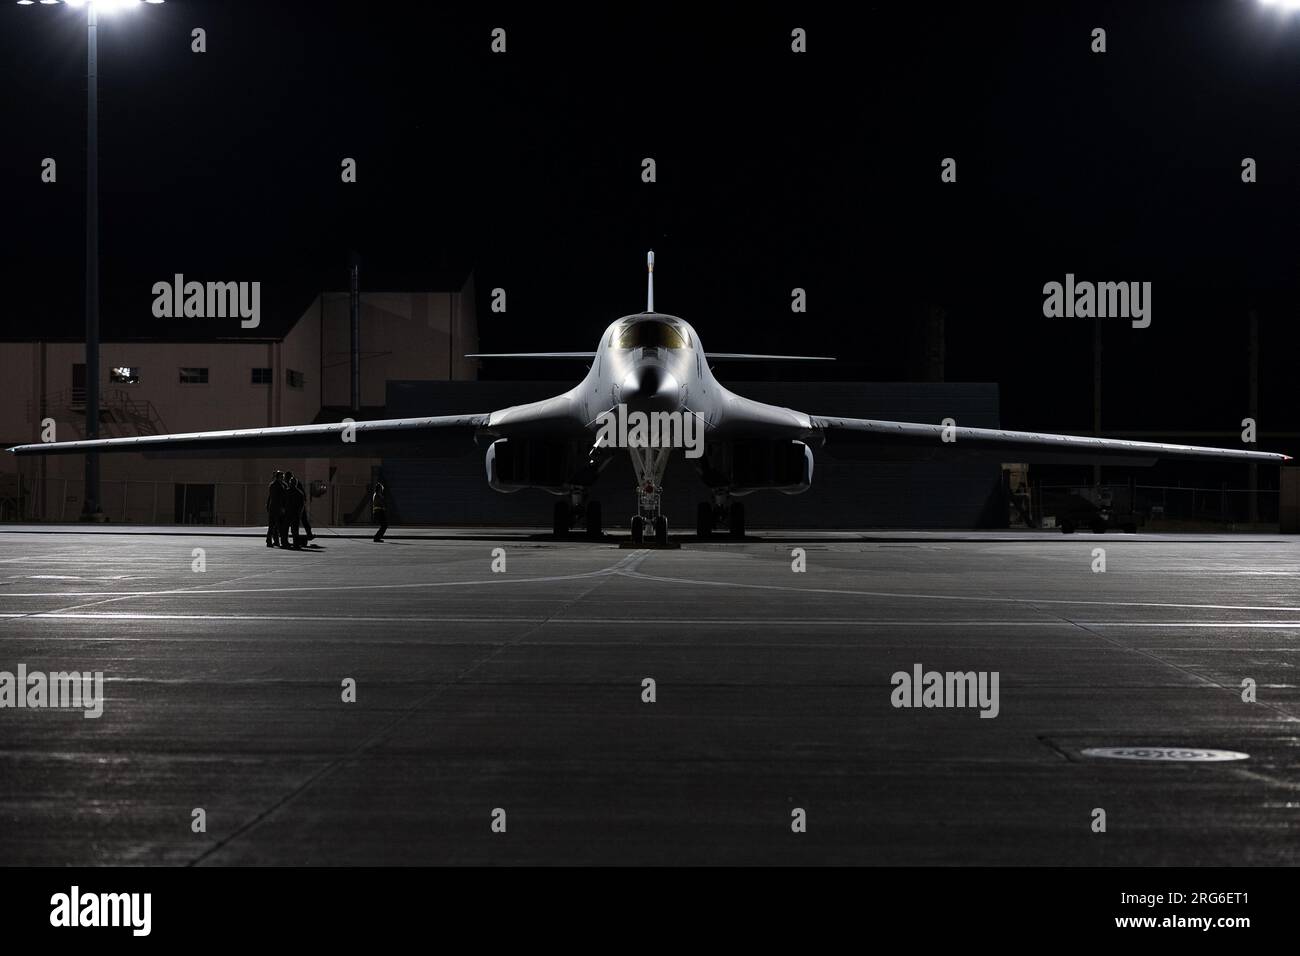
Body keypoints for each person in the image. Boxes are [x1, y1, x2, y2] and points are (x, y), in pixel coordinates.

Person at [284, 473, 307, 549]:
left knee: (285, 529)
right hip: (295, 514)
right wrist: (300, 513)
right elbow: (301, 505)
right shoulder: (299, 493)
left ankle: (285, 542)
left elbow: (283, 502)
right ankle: (295, 543)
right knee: (295, 530)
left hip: (287, 513)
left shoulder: (286, 492)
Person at [265, 470, 285, 547]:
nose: (283, 478)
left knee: (271, 526)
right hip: (277, 508)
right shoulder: (280, 486)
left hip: (272, 508)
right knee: (279, 526)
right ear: (279, 477)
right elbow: (280, 498)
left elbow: (271, 497)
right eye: (282, 477)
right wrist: (282, 508)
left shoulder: (272, 485)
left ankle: (269, 541)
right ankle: (281, 541)